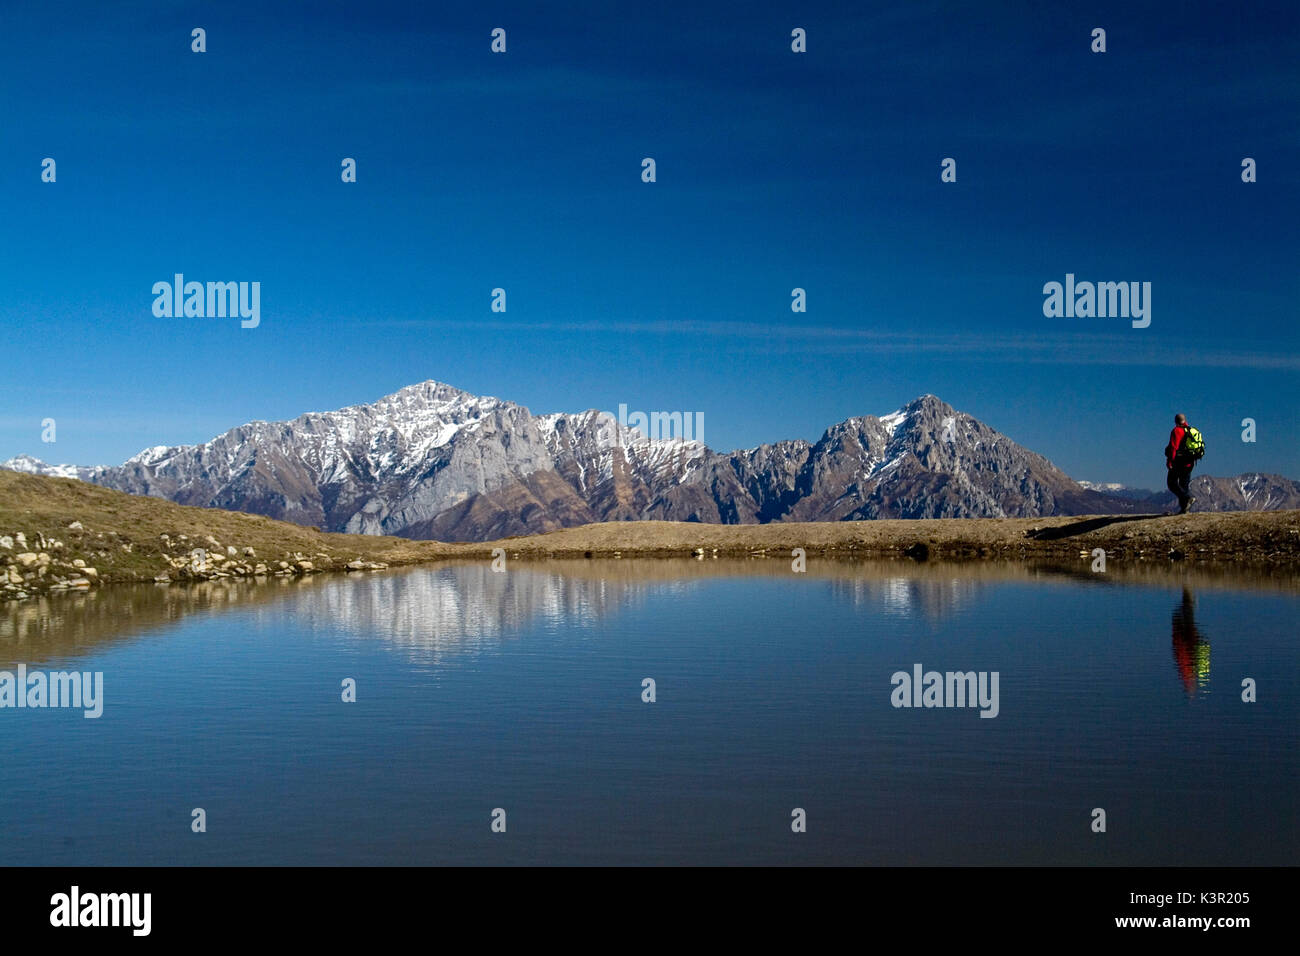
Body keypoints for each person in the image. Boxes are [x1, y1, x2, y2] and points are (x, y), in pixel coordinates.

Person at [1165, 413, 1197, 514]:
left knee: (1171, 483)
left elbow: (1174, 447)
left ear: (1175, 421)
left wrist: (1170, 461)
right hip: (1190, 462)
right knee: (1184, 485)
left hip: (1179, 462)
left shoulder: (1176, 431)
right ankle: (1184, 509)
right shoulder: (1191, 431)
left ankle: (1188, 498)